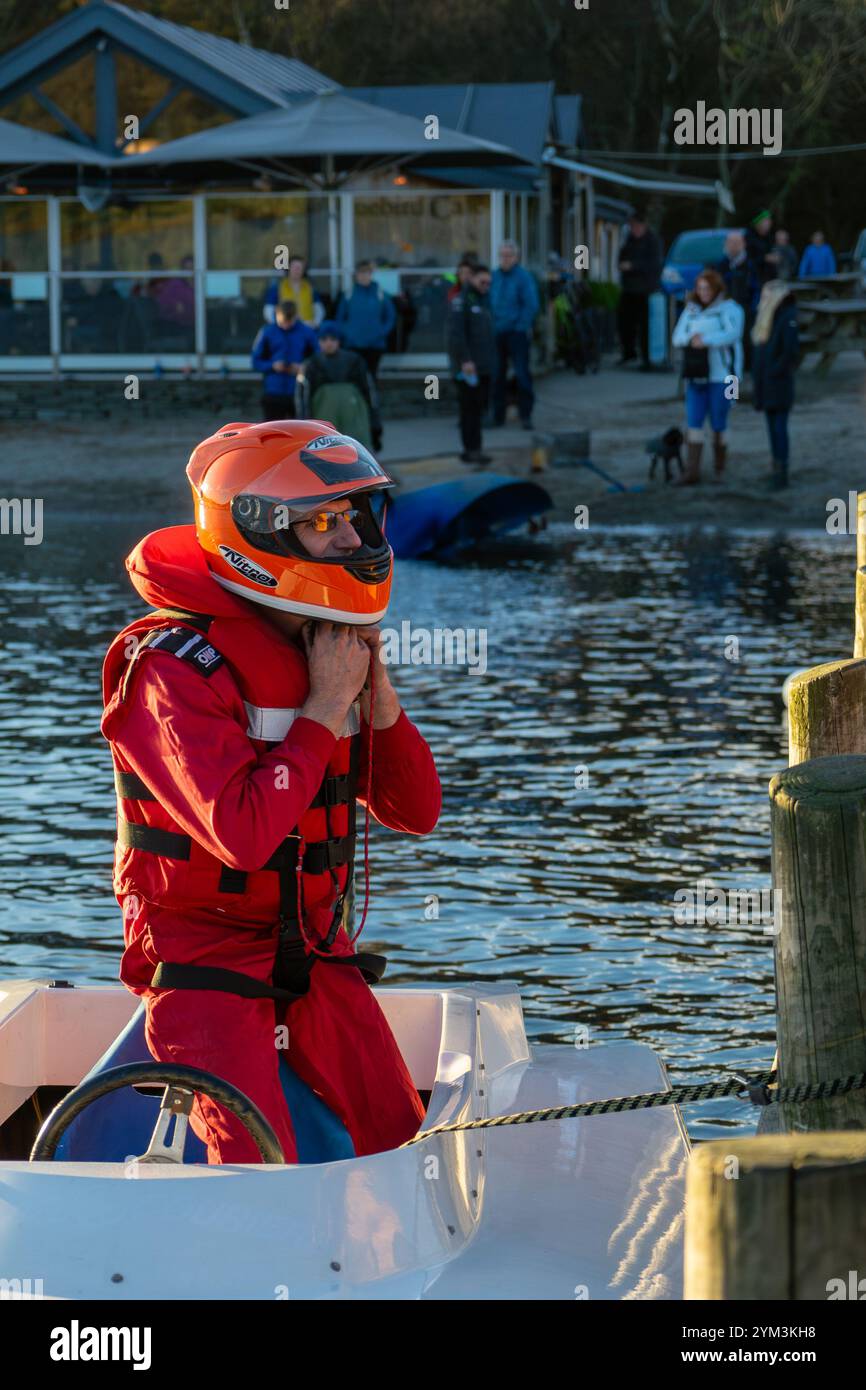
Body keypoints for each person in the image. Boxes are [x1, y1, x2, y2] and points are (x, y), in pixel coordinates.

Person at [100, 422, 442, 1165]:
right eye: (323, 524)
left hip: (315, 946)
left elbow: (416, 813)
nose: (352, 539)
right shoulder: (169, 670)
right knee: (256, 1173)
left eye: (354, 516)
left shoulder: (328, 644)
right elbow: (245, 833)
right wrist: (324, 710)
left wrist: (374, 696)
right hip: (203, 958)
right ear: (256, 539)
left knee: (404, 1145)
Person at [671, 268, 744, 485]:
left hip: (725, 377)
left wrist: (708, 340)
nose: (703, 292)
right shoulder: (691, 310)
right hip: (696, 375)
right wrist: (690, 339)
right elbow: (677, 337)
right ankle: (692, 470)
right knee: (693, 422)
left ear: (716, 288)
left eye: (707, 288)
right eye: (700, 288)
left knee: (719, 422)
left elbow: (733, 334)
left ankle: (720, 467)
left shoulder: (730, 309)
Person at [336, 261, 396, 449]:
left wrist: (380, 332)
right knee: (354, 386)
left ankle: (374, 427)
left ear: (372, 274)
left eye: (367, 273)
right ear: (356, 275)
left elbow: (390, 317)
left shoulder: (380, 294)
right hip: (353, 347)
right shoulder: (349, 294)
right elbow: (340, 318)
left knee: (370, 385)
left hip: (374, 347)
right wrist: (348, 334)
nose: (364, 277)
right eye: (361, 273)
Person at [751, 279, 799, 490]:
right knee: (772, 428)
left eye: (765, 295)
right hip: (766, 383)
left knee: (779, 428)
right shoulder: (766, 319)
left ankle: (782, 472)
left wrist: (774, 372)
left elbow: (790, 352)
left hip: (778, 383)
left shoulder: (786, 317)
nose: (762, 299)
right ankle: (776, 467)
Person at [447, 262, 495, 464]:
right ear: (473, 279)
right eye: (482, 281)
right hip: (468, 368)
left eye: (489, 282)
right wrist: (465, 360)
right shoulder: (462, 301)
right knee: (470, 410)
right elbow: (457, 335)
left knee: (478, 410)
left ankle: (476, 448)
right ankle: (471, 450)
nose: (486, 285)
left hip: (483, 365)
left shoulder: (484, 300)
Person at [299, 319, 374, 448]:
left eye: (333, 338)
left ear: (338, 340)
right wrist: (305, 420)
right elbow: (303, 396)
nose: (329, 343)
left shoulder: (354, 361)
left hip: (353, 418)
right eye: (324, 339)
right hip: (323, 419)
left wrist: (374, 420)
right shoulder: (311, 364)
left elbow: (368, 390)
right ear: (319, 341)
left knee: (354, 451)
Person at [490, 240, 540, 428]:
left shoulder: (523, 278)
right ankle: (497, 415)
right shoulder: (494, 276)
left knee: (522, 375)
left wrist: (520, 326)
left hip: (516, 333)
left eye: (509, 255)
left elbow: (531, 305)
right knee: (497, 375)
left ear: (516, 257)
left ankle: (525, 415)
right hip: (497, 332)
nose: (505, 259)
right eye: (502, 255)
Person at [251, 300, 318, 421]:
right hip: (273, 390)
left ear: (296, 317)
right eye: (282, 322)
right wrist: (272, 366)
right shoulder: (267, 332)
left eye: (289, 322)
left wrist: (303, 367)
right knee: (273, 430)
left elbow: (318, 358)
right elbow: (255, 361)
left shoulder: (307, 332)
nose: (285, 326)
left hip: (298, 390)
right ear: (276, 315)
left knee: (299, 431)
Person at [616, 210, 662, 371]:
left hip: (645, 290)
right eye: (631, 226)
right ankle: (629, 353)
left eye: (635, 226)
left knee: (645, 326)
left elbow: (654, 265)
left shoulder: (652, 241)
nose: (633, 229)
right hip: (629, 288)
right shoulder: (629, 240)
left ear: (642, 225)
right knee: (625, 323)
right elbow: (621, 257)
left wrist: (633, 266)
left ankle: (647, 358)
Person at [264, 254, 325, 328]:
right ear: (288, 269)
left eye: (299, 268)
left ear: (303, 270)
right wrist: (278, 325)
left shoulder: (310, 288)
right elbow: (268, 310)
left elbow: (319, 309)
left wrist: (315, 323)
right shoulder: (277, 288)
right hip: (285, 329)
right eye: (294, 267)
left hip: (307, 328)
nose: (296, 270)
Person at [745, 211, 778, 289]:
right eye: (766, 220)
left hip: (769, 279)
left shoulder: (769, 238)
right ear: (758, 222)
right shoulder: (748, 238)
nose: (770, 222)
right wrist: (764, 258)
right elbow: (746, 260)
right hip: (754, 280)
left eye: (769, 220)